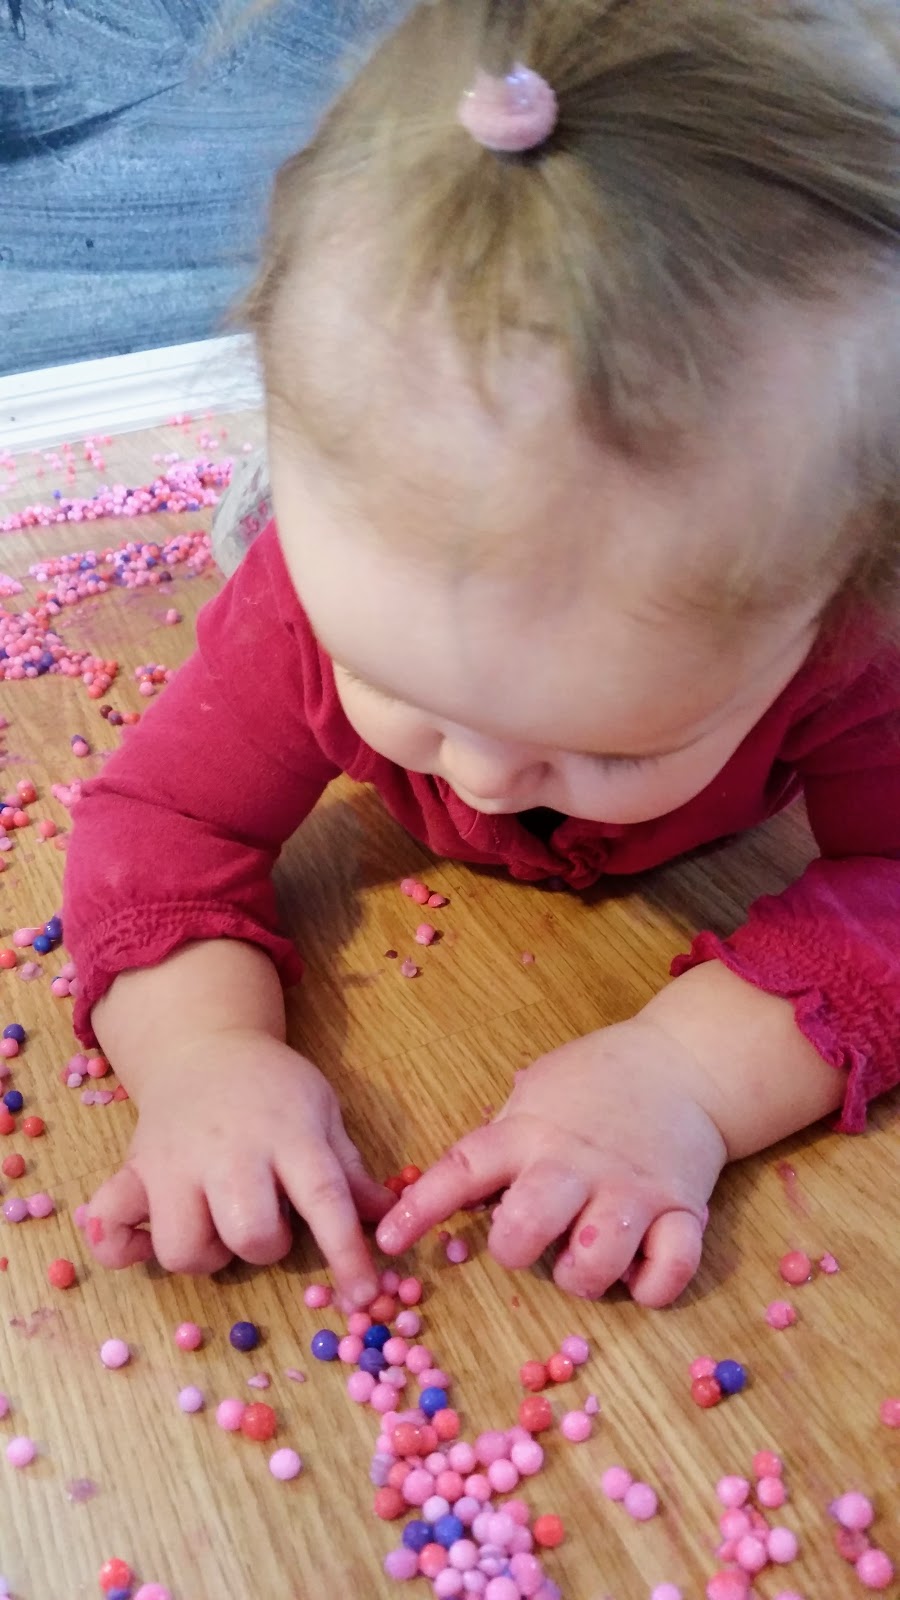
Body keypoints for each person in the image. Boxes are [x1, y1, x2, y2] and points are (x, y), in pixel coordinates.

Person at [63, 0, 900, 1314]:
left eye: (614, 744)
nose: (494, 780)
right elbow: (157, 818)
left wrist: (688, 1074)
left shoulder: (852, 647)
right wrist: (201, 1055)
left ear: (831, 610)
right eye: (404, 692)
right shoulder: (306, 610)